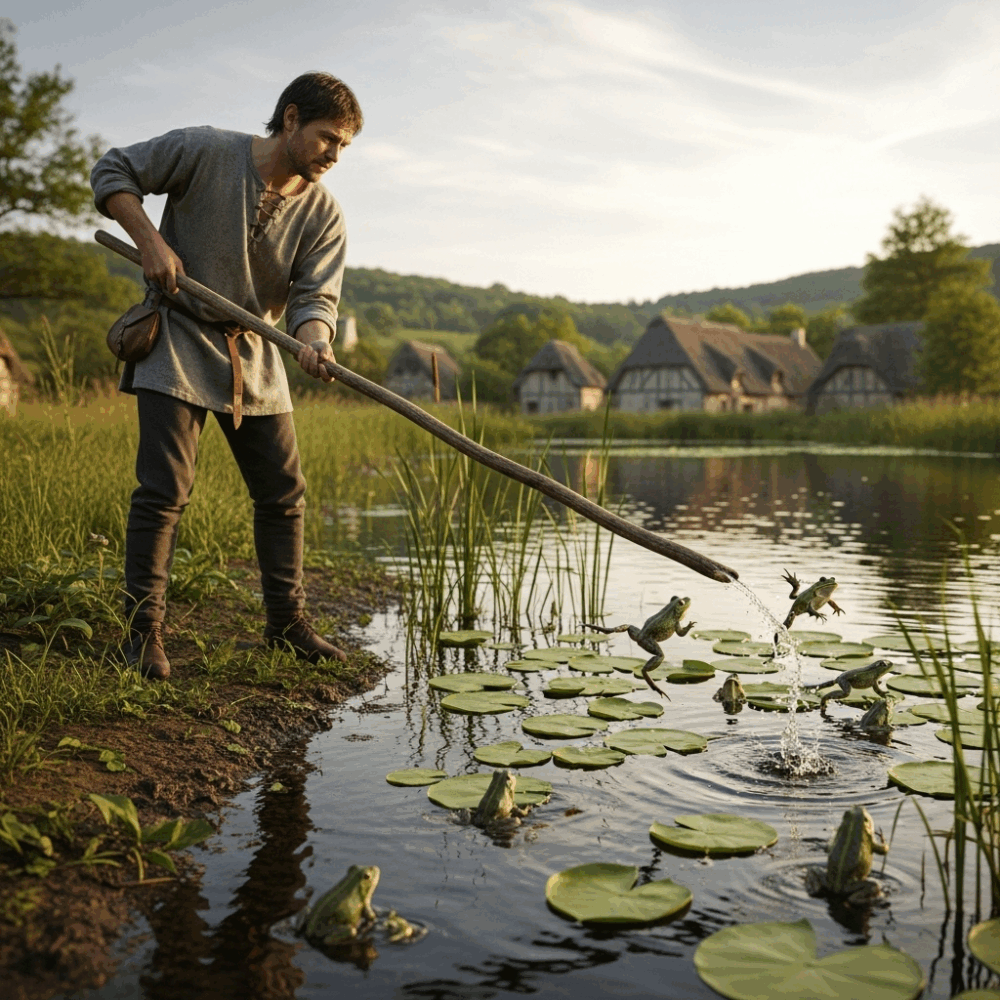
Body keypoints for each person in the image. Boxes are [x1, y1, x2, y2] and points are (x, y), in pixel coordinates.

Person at [90, 72, 363, 679]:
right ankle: (144, 635)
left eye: (344, 146)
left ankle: (286, 626)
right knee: (163, 491)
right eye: (328, 138)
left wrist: (314, 343)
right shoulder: (206, 149)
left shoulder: (323, 213)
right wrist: (153, 243)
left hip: (257, 355)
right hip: (177, 338)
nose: (334, 156)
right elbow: (112, 171)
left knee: (283, 494)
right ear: (290, 119)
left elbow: (317, 299)